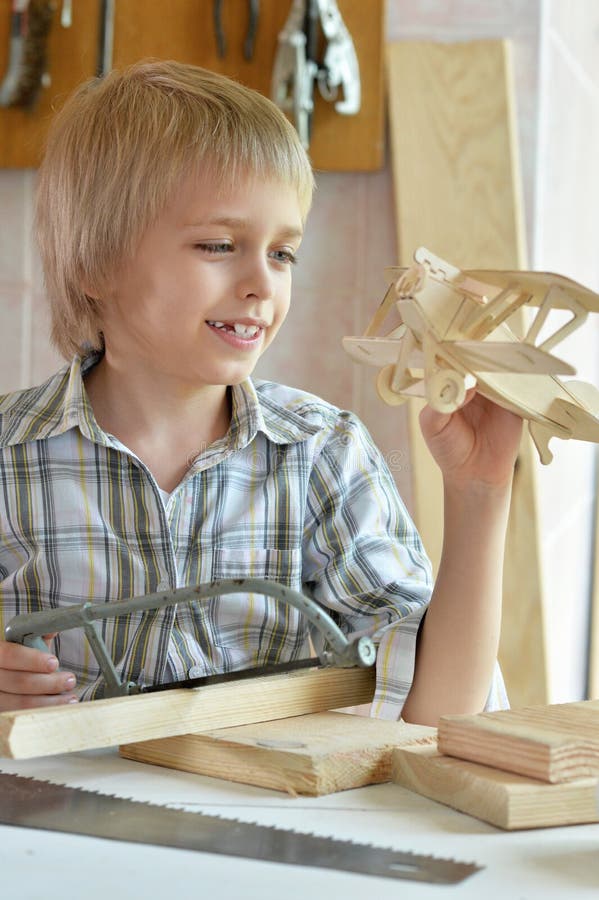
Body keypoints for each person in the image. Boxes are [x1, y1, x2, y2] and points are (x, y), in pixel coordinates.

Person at [0, 60, 522, 722]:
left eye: (282, 254)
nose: (261, 284)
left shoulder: (321, 454)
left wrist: (480, 493)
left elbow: (435, 718)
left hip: (263, 823)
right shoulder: (8, 457)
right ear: (97, 262)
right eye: (220, 245)